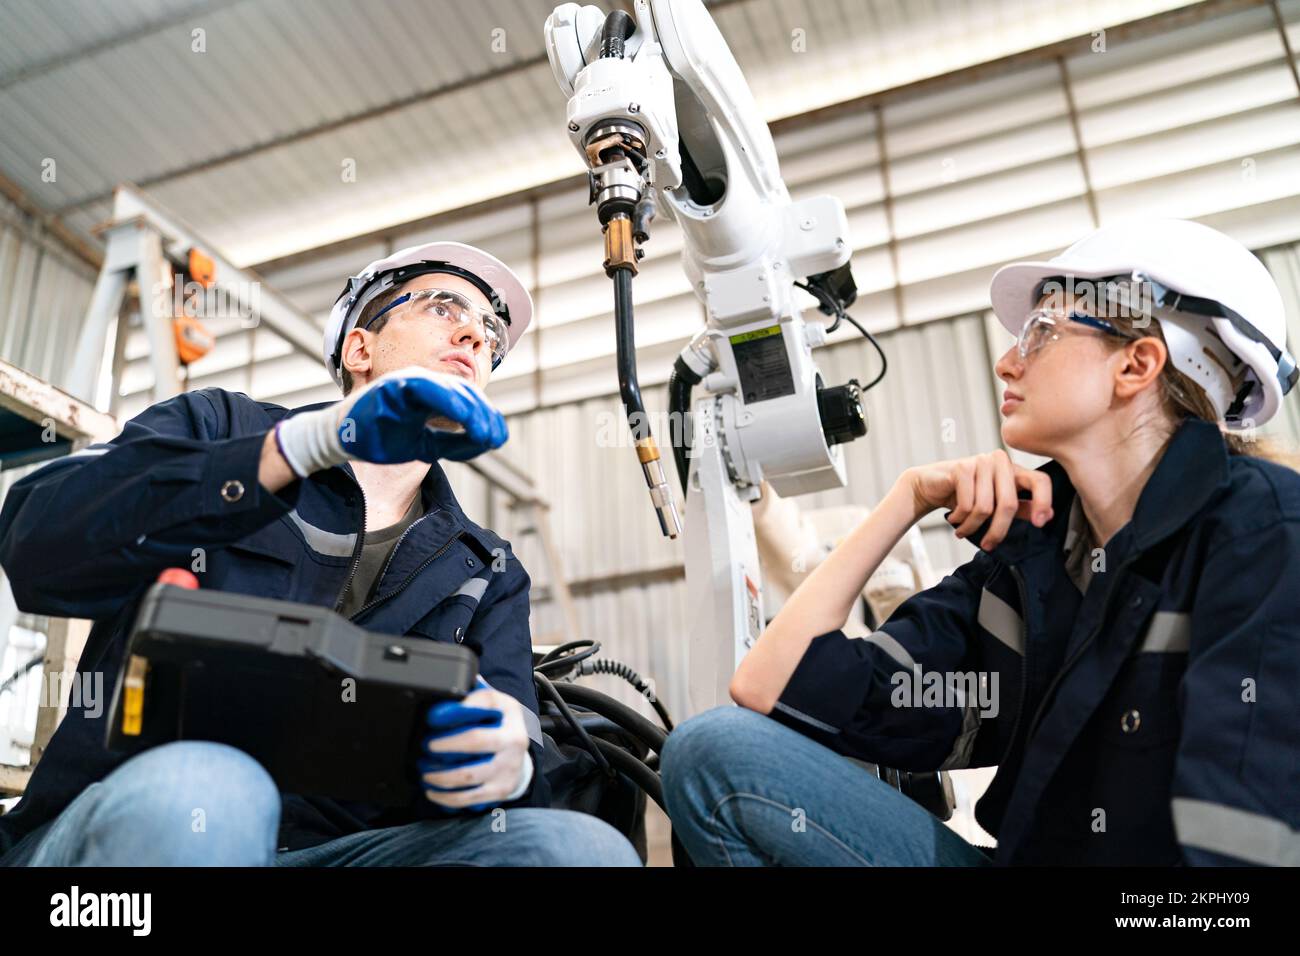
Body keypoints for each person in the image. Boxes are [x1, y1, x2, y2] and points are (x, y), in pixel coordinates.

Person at [662, 219, 1300, 866]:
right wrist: (906, 500)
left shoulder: (1265, 537)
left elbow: (1237, 858)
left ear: (1136, 366)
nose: (1007, 360)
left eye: (1043, 331)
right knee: (712, 753)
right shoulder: (1031, 561)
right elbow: (770, 685)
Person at [0, 241, 640, 867]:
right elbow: (38, 542)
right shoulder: (220, 428)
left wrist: (507, 762)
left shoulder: (487, 568)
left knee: (582, 850)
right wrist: (301, 449)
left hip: (339, 852)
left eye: (491, 334)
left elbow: (518, 771)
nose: (477, 336)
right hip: (139, 824)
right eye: (445, 308)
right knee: (212, 790)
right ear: (360, 347)